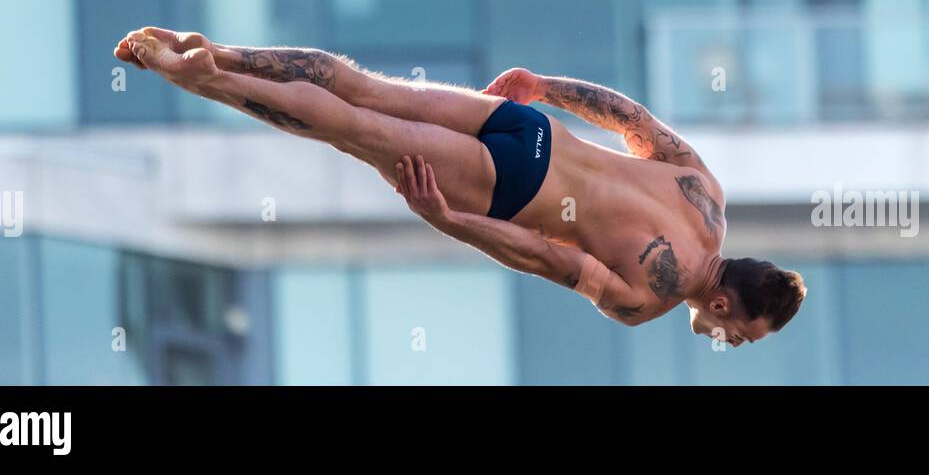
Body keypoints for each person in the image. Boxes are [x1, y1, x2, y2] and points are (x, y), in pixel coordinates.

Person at [116, 27, 805, 343]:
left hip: (532, 131)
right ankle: (204, 76)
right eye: (738, 332)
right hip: (508, 186)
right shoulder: (646, 299)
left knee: (364, 87)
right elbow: (544, 256)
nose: (728, 340)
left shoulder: (706, 193)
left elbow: (633, 119)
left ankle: (221, 50)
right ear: (721, 299)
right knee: (353, 128)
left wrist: (546, 88)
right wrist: (447, 220)